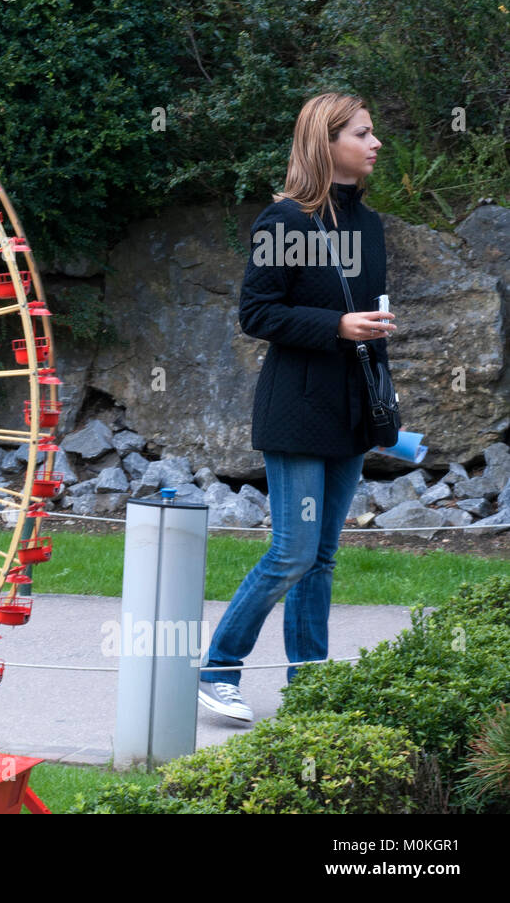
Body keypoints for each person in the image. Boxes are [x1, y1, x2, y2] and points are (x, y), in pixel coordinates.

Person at [198, 92, 393, 722]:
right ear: (327, 142)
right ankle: (217, 669)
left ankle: (310, 686)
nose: (375, 143)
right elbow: (258, 314)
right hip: (298, 410)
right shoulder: (283, 223)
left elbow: (365, 316)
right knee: (292, 550)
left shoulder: (368, 225)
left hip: (353, 411)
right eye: (362, 133)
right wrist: (336, 323)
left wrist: (378, 374)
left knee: (324, 555)